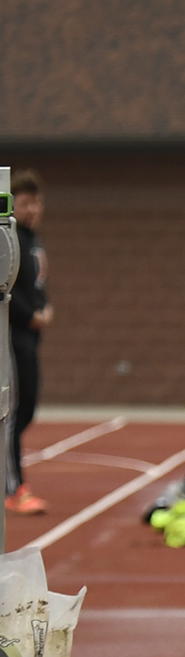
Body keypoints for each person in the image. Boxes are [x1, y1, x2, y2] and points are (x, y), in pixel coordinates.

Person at [7, 170, 51, 516]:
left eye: (36, 202)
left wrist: (45, 306)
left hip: (31, 337)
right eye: (24, 203)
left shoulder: (34, 240)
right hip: (12, 337)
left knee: (28, 410)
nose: (31, 209)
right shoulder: (10, 240)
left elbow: (35, 285)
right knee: (13, 413)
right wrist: (30, 315)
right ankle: (14, 486)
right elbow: (8, 290)